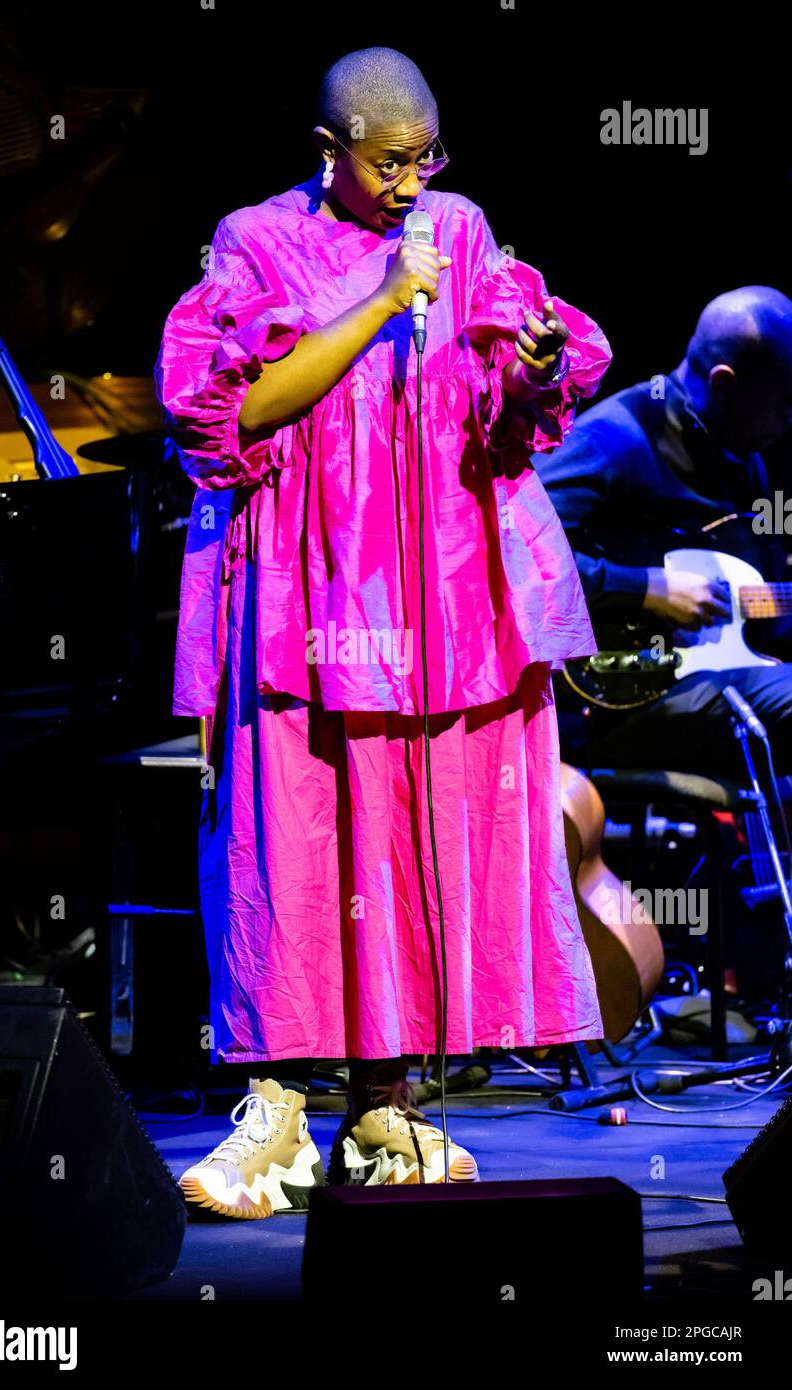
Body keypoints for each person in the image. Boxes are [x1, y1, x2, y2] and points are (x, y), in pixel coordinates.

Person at [155, 47, 610, 1219]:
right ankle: (272, 1112)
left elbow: (508, 419)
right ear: (331, 149)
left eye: (424, 158)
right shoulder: (255, 242)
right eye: (389, 162)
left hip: (439, 591)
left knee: (407, 839)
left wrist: (534, 366)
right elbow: (233, 414)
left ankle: (383, 1104)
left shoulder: (460, 230)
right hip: (305, 595)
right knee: (291, 840)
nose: (411, 183)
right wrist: (376, 303)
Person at [534, 287, 792, 777]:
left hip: (700, 681)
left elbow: (759, 613)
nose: (790, 420)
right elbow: (516, 549)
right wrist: (644, 588)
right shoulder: (616, 439)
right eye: (784, 402)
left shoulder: (744, 457)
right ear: (725, 383)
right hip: (607, 701)